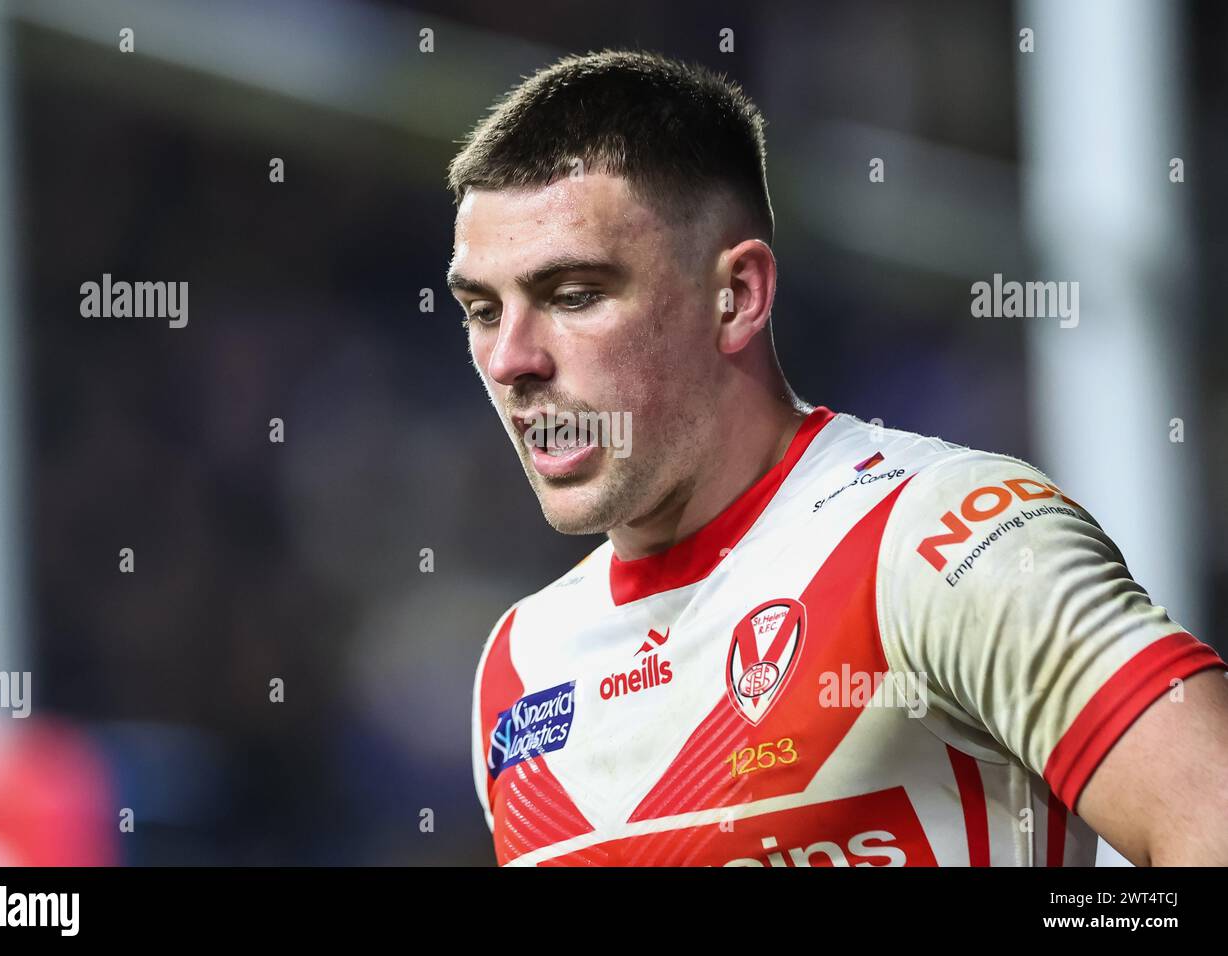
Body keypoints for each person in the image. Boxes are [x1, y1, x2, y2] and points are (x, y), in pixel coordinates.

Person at [446, 49, 1228, 866]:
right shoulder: (518, 667)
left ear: (738, 297)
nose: (510, 359)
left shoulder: (946, 539)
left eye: (573, 296)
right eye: (481, 310)